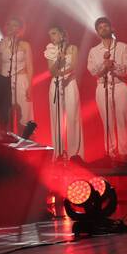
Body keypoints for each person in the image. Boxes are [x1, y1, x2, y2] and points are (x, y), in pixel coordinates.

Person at [86, 17, 127, 161]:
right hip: (102, 87)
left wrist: (113, 66)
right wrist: (104, 64)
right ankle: (111, 153)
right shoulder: (94, 51)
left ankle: (125, 153)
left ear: (111, 28)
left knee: (122, 120)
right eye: (100, 27)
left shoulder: (122, 47)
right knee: (107, 121)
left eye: (106, 26)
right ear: (97, 32)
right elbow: (93, 71)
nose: (103, 29)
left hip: (120, 86)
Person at [44, 24, 84, 160]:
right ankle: (59, 153)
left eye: (54, 33)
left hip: (70, 82)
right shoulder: (50, 50)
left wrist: (63, 74)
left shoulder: (72, 48)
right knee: (57, 119)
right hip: (55, 84)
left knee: (73, 117)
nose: (51, 37)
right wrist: (59, 61)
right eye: (50, 34)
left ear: (62, 34)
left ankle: (75, 154)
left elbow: (73, 66)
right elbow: (51, 71)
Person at [0, 17, 34, 132]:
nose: (11, 28)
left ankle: (25, 142)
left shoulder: (25, 45)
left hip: (21, 80)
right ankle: (8, 142)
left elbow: (30, 66)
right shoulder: (1, 44)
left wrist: (30, 86)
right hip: (5, 81)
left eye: (15, 25)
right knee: (6, 113)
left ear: (20, 29)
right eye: (9, 25)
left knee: (23, 115)